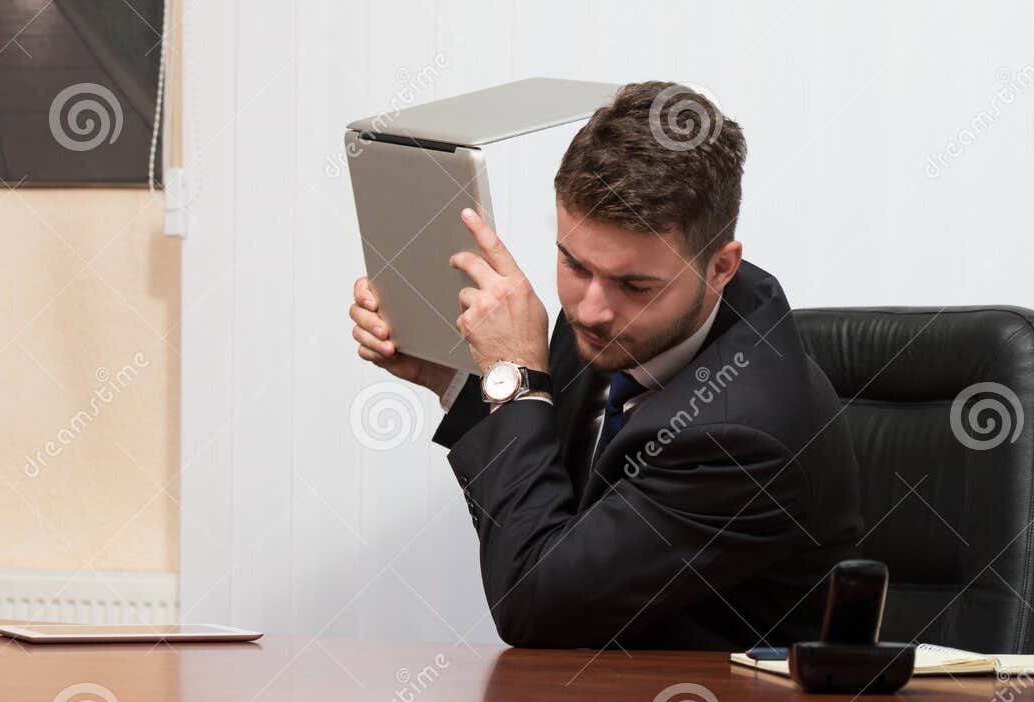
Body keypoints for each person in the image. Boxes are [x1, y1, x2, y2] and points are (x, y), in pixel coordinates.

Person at [348, 81, 862, 649]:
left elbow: (535, 601)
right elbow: (541, 522)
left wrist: (515, 376)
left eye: (634, 284)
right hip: (596, 699)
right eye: (573, 264)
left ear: (720, 268)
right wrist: (452, 378)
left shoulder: (741, 436)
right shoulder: (614, 325)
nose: (591, 309)